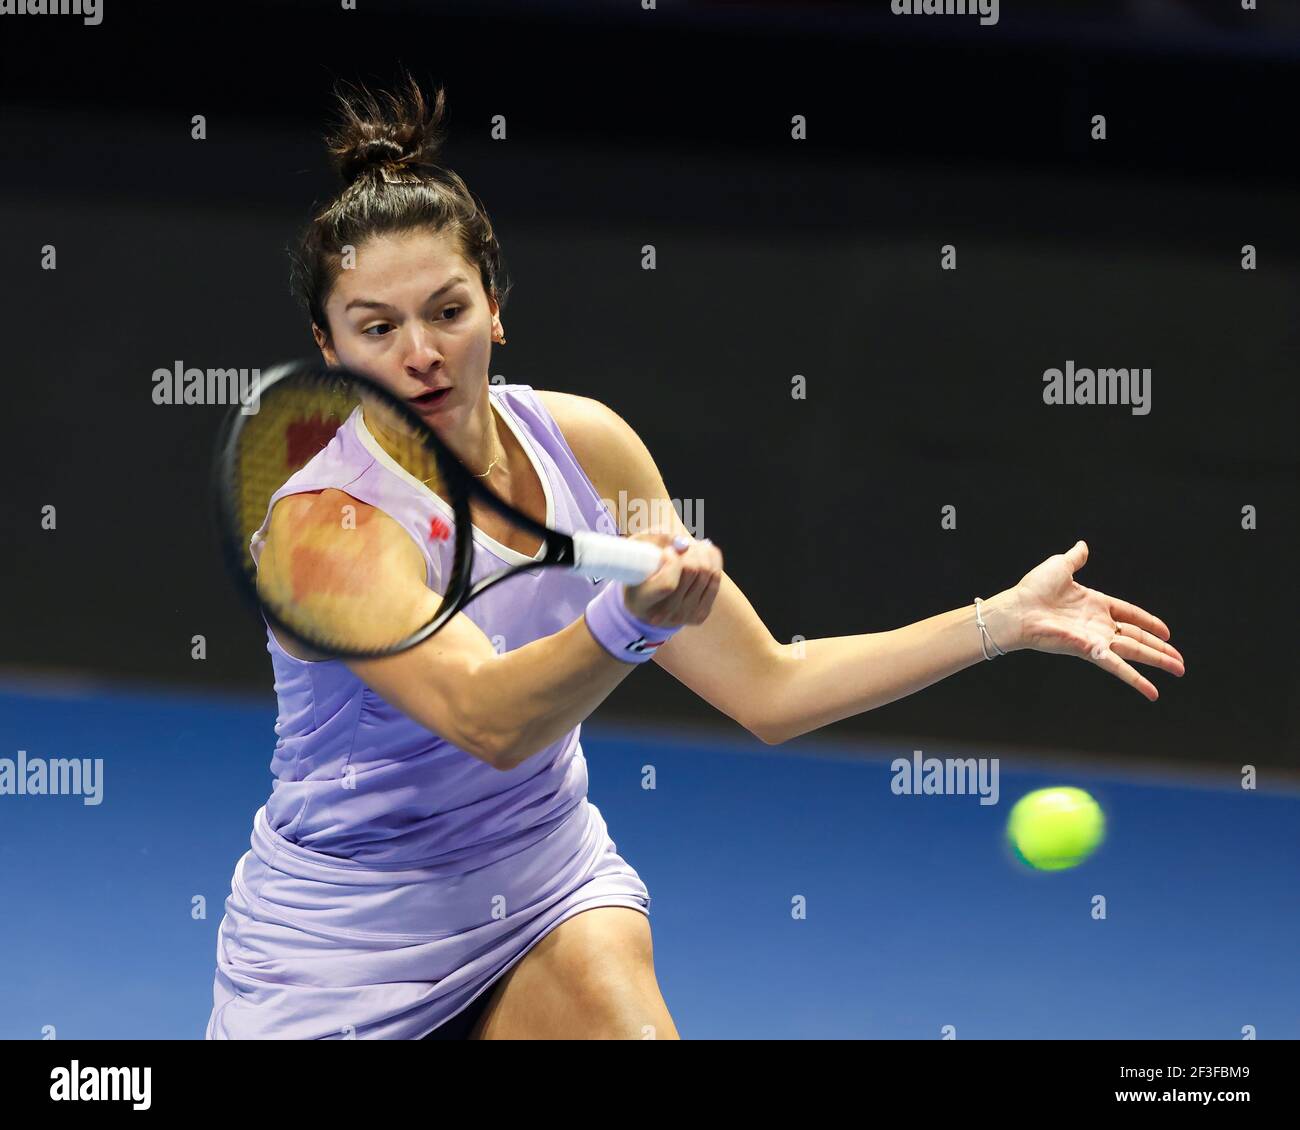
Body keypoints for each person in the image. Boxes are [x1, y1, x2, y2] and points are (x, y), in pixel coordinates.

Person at [205, 75, 1184, 1041]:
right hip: (342, 936)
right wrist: (624, 625)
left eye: (447, 310)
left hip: (542, 877)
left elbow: (770, 687)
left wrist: (997, 621)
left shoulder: (585, 447)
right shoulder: (328, 532)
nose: (419, 350)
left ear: (494, 308)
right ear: (329, 350)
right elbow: (485, 719)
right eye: (377, 327)